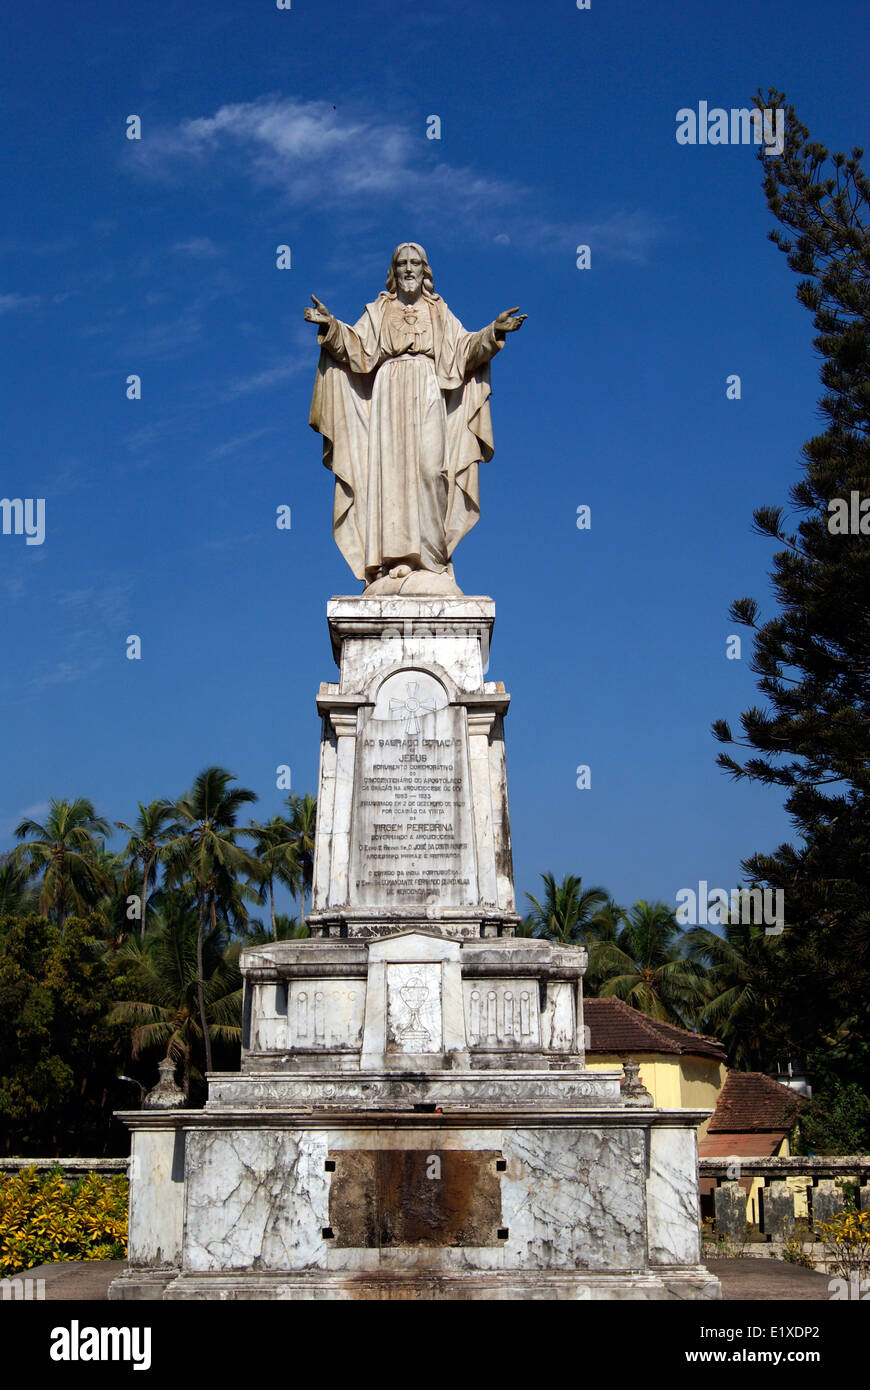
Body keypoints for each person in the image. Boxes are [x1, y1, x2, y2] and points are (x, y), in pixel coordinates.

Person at [305, 242, 525, 590]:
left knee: (429, 469)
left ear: (425, 271)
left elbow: (465, 350)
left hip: (427, 389)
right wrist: (330, 326)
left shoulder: (439, 312)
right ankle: (392, 561)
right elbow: (356, 347)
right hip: (388, 391)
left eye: (416, 263)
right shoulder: (379, 310)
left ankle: (431, 558)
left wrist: (493, 333)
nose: (409, 269)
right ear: (394, 272)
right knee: (390, 475)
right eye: (402, 263)